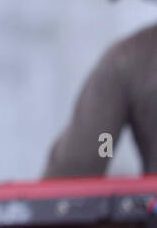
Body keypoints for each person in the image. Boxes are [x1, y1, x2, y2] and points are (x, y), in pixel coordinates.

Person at [43, 23, 157, 178]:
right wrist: (106, 145)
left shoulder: (130, 57)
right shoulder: (130, 59)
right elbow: (101, 144)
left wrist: (106, 147)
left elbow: (83, 163)